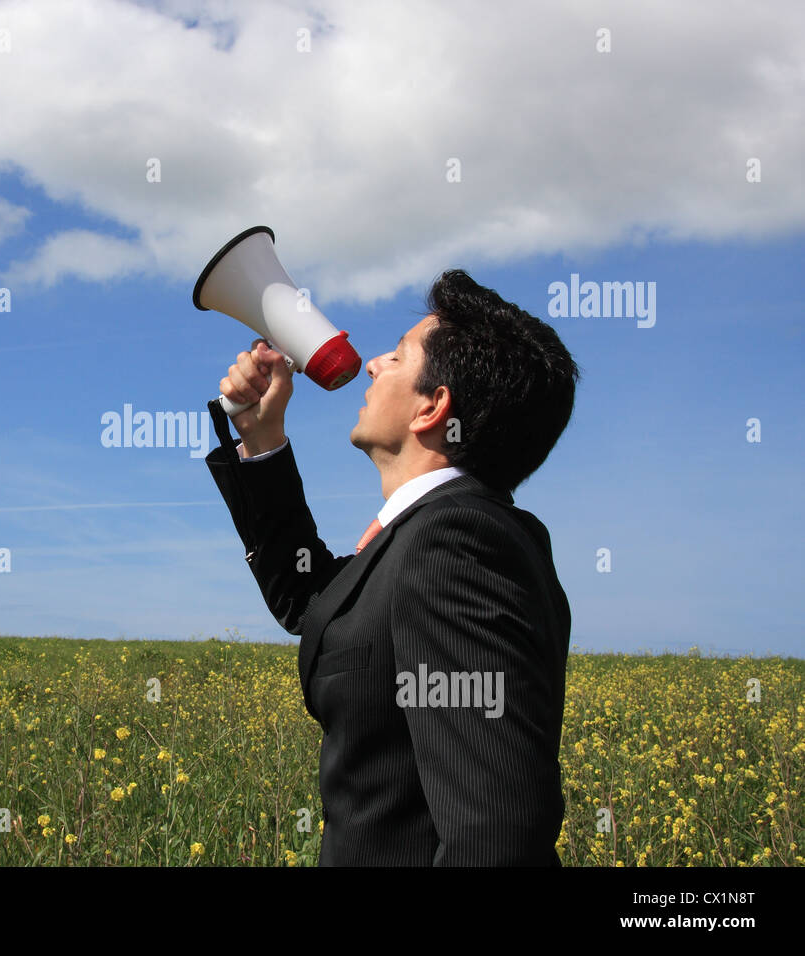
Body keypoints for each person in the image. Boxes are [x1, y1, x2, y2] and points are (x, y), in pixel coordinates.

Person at [204, 269, 579, 865]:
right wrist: (261, 435)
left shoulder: (455, 543)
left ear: (434, 407)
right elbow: (313, 602)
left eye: (399, 356)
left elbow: (497, 837)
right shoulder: (435, 536)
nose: (374, 364)